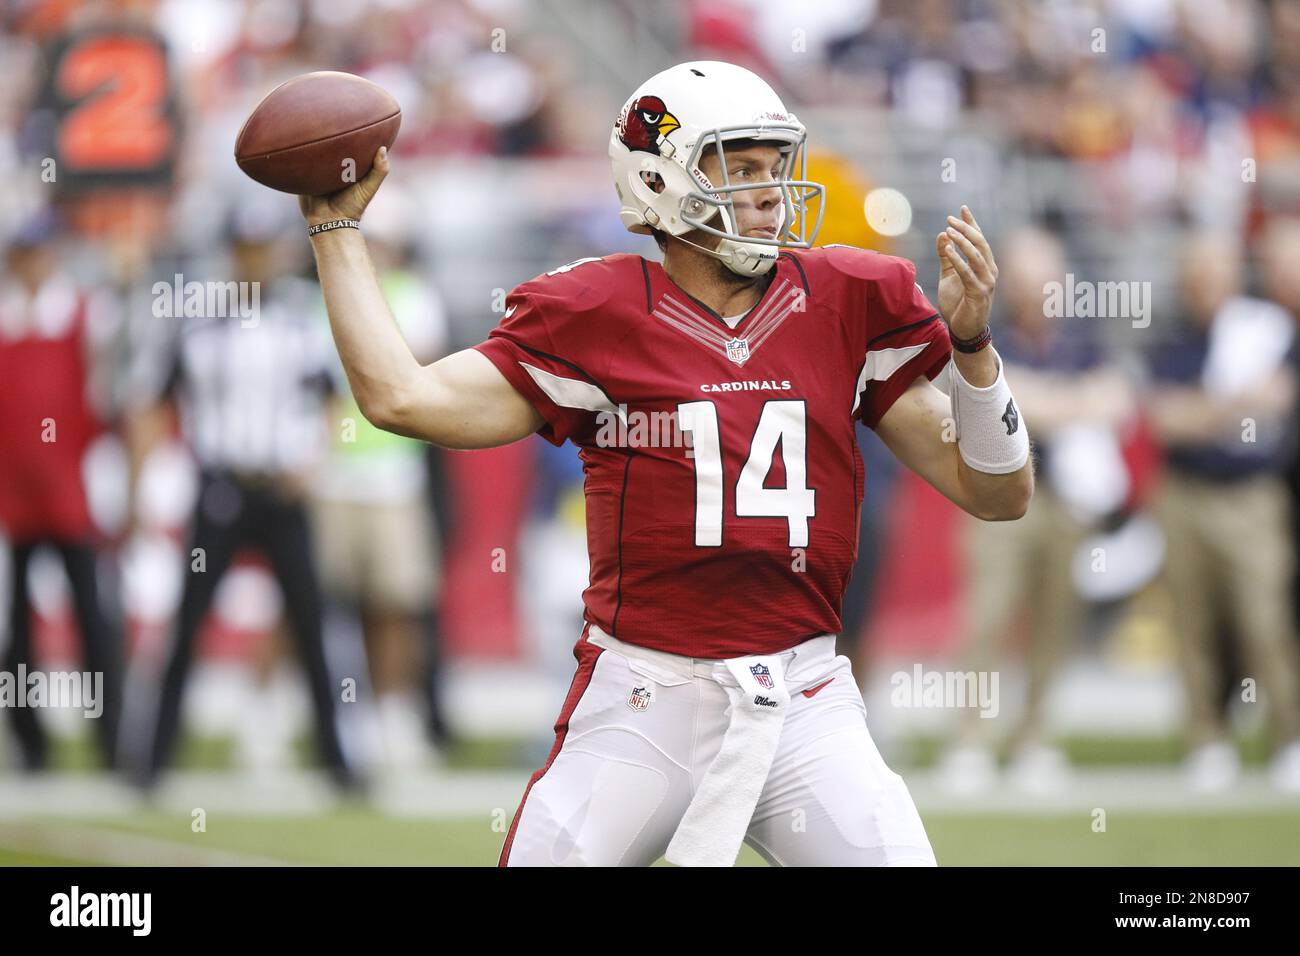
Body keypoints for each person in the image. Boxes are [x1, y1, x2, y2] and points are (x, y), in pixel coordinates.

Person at [300, 61, 1033, 866]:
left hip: (803, 698)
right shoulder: (596, 311)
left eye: (774, 169)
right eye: (742, 169)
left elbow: (998, 493)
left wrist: (973, 351)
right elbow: (400, 398)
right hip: (644, 698)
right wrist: (335, 233)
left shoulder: (845, 300)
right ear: (659, 180)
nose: (770, 191)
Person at [130, 202, 358, 791]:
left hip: (282, 489)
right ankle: (152, 762)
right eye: (245, 249)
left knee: (310, 623)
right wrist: (140, 486)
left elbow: (331, 400)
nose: (255, 261)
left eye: (263, 249)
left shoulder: (302, 321)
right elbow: (157, 402)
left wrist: (313, 464)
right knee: (188, 625)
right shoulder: (196, 322)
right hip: (221, 488)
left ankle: (338, 761)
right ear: (231, 253)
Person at [1147, 230, 1300, 793]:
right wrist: (1233, 404)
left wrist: (1206, 410)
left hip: (1251, 496)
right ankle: (1207, 738)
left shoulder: (1267, 330)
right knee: (1194, 625)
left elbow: (1277, 399)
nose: (1207, 284)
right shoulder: (1172, 340)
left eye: (1216, 272)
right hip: (1185, 493)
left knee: (1264, 620)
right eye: (1197, 273)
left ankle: (1288, 737)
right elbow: (1166, 421)